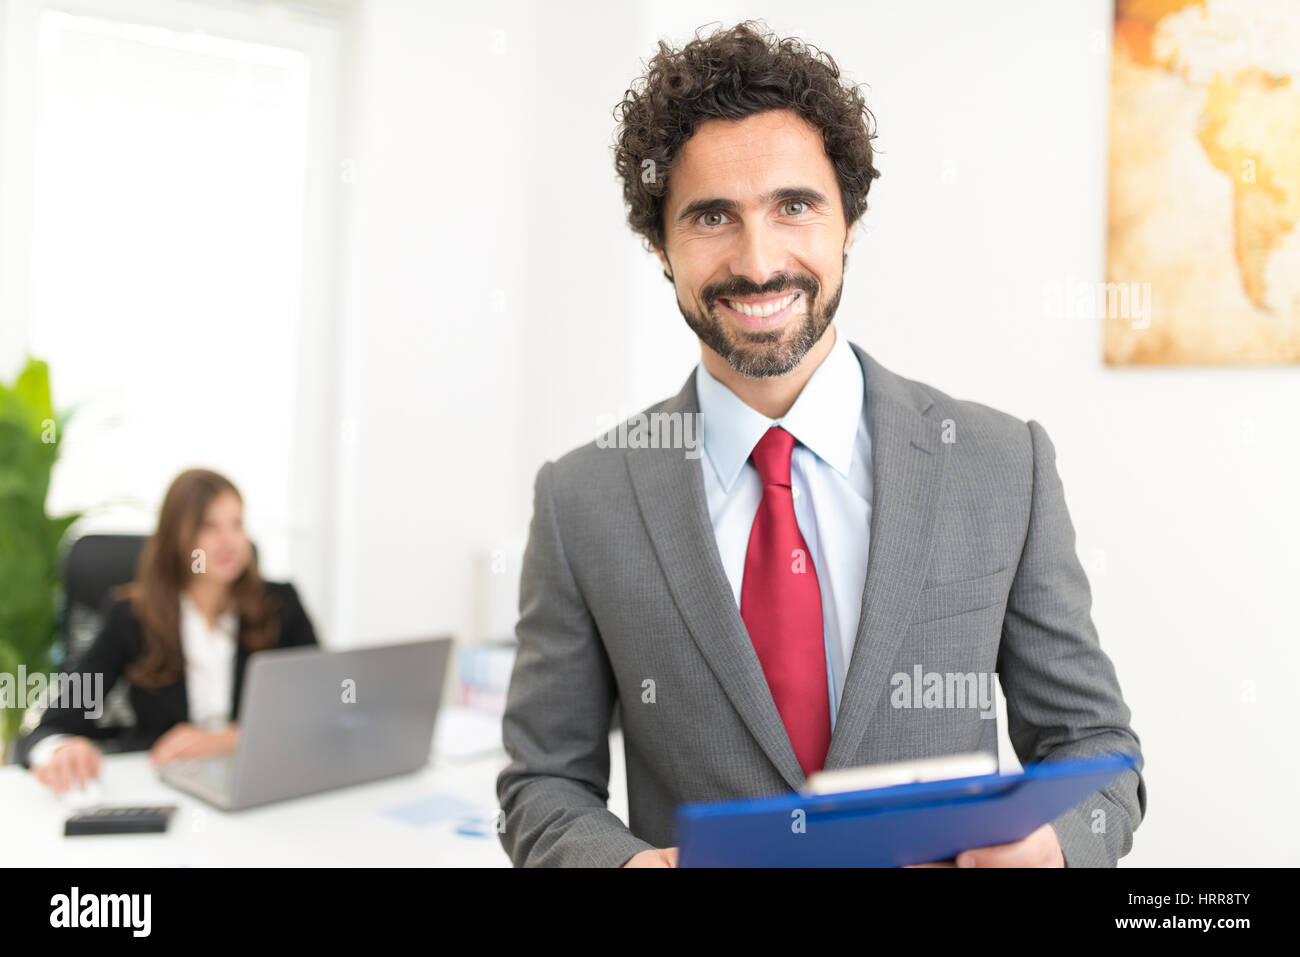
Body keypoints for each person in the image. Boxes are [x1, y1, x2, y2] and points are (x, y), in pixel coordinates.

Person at [496, 21, 1146, 867]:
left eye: (794, 206)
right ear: (659, 247)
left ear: (849, 223)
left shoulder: (999, 465)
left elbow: (1099, 754)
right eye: (711, 217)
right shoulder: (581, 500)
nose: (758, 261)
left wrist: (1054, 848)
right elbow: (542, 783)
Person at [15, 468, 318, 791]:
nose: (229, 541)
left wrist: (232, 738)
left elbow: (321, 708)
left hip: (259, 780)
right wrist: (63, 747)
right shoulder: (132, 616)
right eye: (208, 526)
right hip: (162, 782)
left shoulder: (280, 605)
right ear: (176, 536)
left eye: (237, 524)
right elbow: (53, 725)